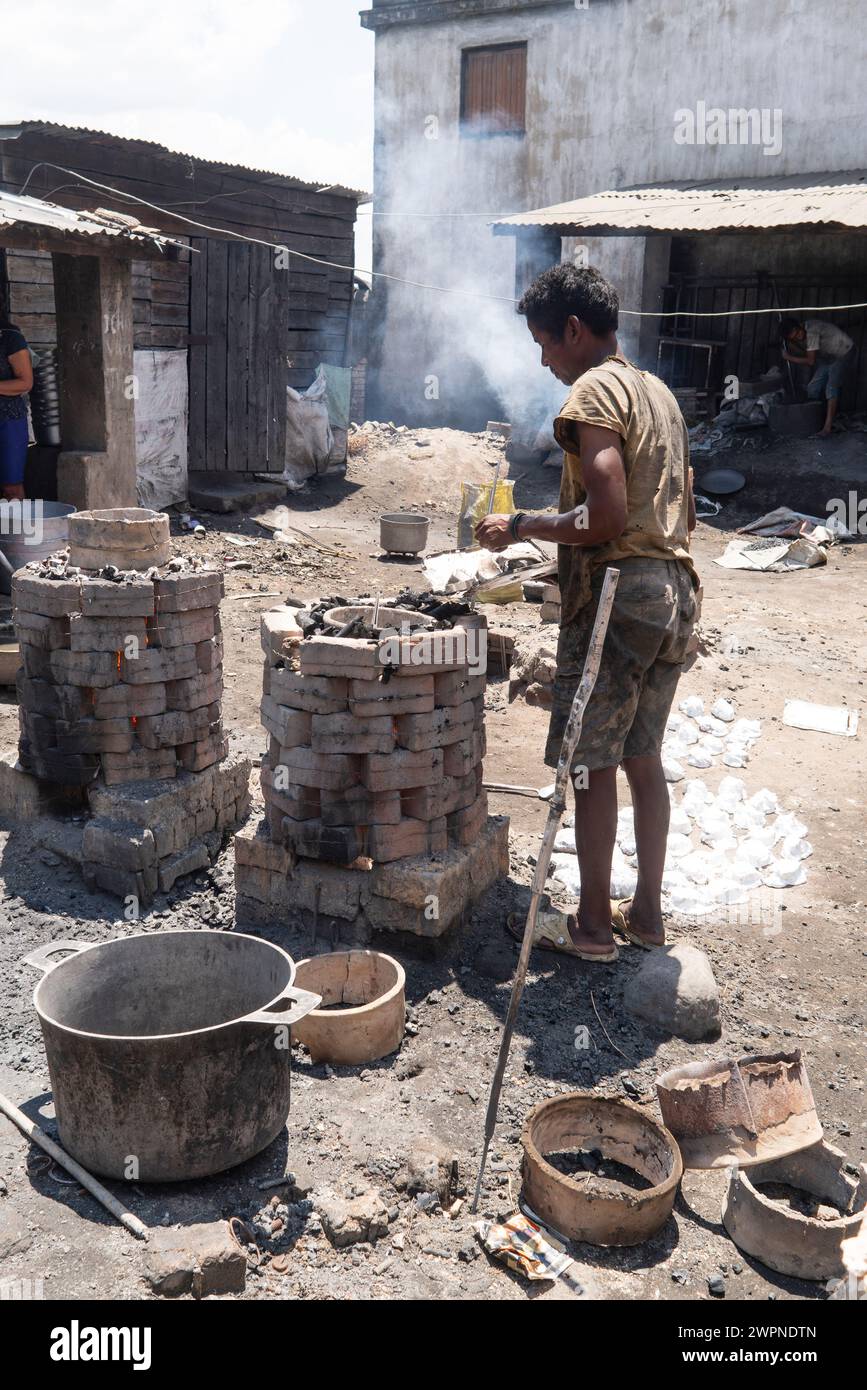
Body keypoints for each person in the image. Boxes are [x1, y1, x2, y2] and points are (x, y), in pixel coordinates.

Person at [475, 264, 698, 962]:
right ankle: (647, 915)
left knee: (587, 763)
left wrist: (522, 526)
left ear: (573, 331)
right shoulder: (657, 394)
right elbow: (683, 508)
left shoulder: (593, 389)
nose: (542, 358)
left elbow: (602, 515)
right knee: (641, 754)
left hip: (616, 595)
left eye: (544, 341)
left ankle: (593, 928)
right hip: (673, 591)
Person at [781, 317, 855, 437]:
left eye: (798, 333)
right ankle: (814, 421)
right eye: (794, 338)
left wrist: (788, 357)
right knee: (812, 388)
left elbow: (810, 361)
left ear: (800, 326)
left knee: (831, 388)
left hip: (844, 352)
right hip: (829, 357)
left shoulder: (812, 331)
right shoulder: (802, 333)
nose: (798, 337)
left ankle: (827, 428)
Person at [0, 318, 33, 500]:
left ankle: (15, 529)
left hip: (8, 420)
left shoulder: (9, 337)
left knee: (11, 487)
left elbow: (26, 382)